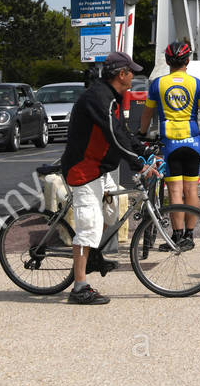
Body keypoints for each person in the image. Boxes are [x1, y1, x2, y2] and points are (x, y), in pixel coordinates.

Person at [61, 50, 150, 305]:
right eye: (131, 72)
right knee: (88, 227)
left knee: (111, 215)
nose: (133, 76)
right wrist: (137, 164)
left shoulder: (113, 97)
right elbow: (113, 136)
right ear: (121, 75)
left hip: (99, 168)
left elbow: (123, 133)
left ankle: (92, 254)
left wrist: (144, 151)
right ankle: (79, 288)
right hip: (83, 170)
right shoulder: (98, 98)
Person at [138, 40, 200, 251]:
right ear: (188, 61)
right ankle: (190, 237)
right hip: (192, 142)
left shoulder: (158, 84)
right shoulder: (197, 84)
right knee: (191, 189)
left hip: (170, 143)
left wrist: (141, 133)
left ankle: (176, 236)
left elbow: (147, 113)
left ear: (167, 61)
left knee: (175, 190)